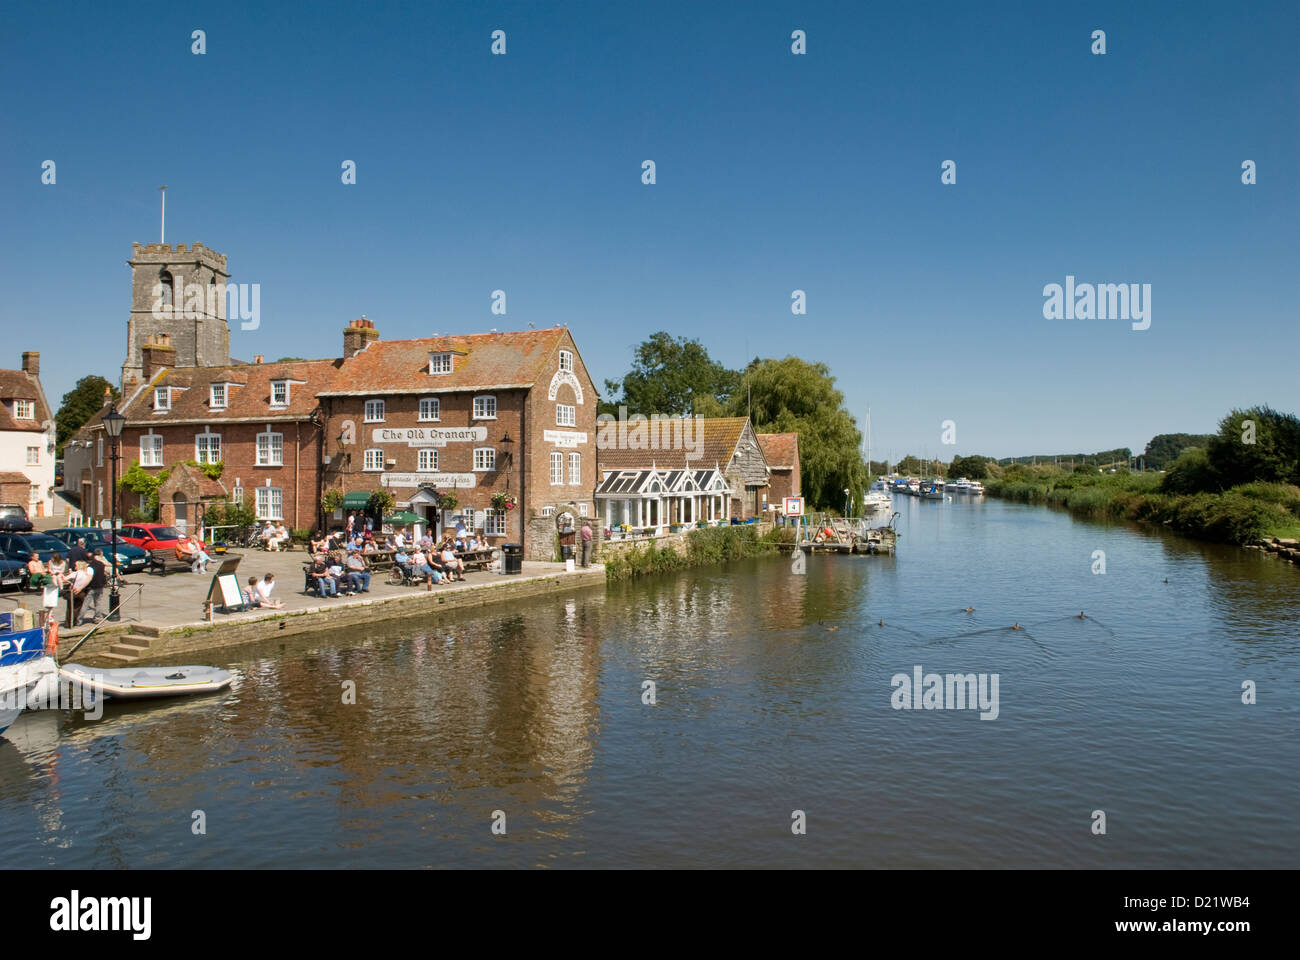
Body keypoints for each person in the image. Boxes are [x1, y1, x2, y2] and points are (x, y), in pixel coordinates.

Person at [82, 549, 109, 622]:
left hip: (92, 587)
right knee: (98, 602)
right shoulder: (101, 564)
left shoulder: (90, 567)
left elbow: (89, 578)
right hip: (100, 585)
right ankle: (98, 617)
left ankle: (79, 619)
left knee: (86, 603)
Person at [68, 560, 93, 625]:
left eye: (75, 565)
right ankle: (77, 620)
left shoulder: (76, 573)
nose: (75, 567)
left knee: (71, 607)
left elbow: (64, 579)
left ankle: (70, 622)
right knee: (79, 607)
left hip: (74, 591)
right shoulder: (86, 573)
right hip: (82, 592)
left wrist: (69, 582)